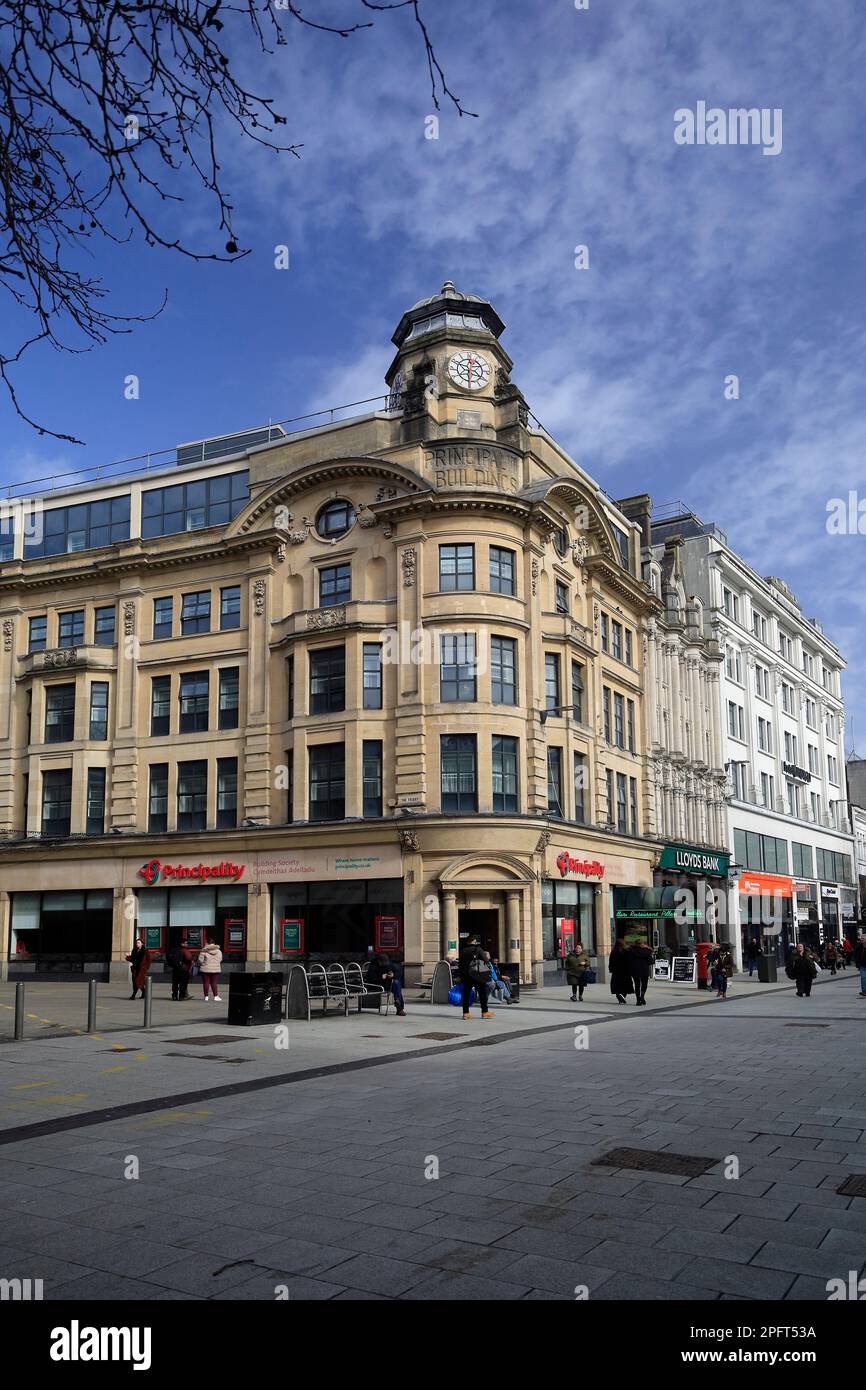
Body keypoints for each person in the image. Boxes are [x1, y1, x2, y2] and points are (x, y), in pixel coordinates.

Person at [458, 937, 493, 1020]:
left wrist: (461, 975)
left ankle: (466, 1013)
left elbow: (461, 964)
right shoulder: (478, 949)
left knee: (466, 994)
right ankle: (485, 1012)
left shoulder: (463, 951)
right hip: (478, 975)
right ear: (474, 941)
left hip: (466, 975)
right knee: (482, 993)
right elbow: (486, 960)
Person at [367, 951, 406, 1016]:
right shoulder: (373, 966)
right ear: (379, 961)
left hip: (389, 984)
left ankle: (398, 1002)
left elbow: (398, 973)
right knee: (397, 986)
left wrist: (393, 975)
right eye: (383, 963)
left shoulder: (389, 964)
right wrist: (381, 977)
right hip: (379, 985)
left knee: (396, 983)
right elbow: (371, 980)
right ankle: (399, 1008)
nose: (385, 965)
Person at [196, 936, 223, 1002]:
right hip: (215, 969)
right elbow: (220, 959)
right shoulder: (219, 951)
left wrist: (203, 963)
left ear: (207, 943)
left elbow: (200, 960)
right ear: (214, 943)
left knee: (206, 983)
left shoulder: (204, 950)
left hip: (205, 968)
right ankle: (216, 996)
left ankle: (206, 997)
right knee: (214, 983)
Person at [608, 938, 634, 1005]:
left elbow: (611, 962)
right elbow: (630, 961)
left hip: (616, 971)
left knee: (617, 985)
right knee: (625, 985)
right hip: (626, 971)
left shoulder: (614, 952)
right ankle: (622, 996)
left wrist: (611, 968)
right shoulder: (627, 951)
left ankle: (620, 997)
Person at [628, 939, 654, 1006]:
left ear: (635, 943)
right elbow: (651, 961)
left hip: (635, 969)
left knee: (637, 985)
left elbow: (629, 960)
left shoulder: (631, 950)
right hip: (644, 969)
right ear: (643, 943)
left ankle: (638, 999)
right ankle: (642, 996)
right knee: (644, 984)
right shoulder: (647, 951)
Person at [855, 934, 866, 998]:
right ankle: (864, 991)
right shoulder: (858, 947)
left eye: (863, 938)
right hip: (862, 965)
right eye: (861, 938)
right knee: (863, 978)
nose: (861, 939)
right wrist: (857, 963)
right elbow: (856, 956)